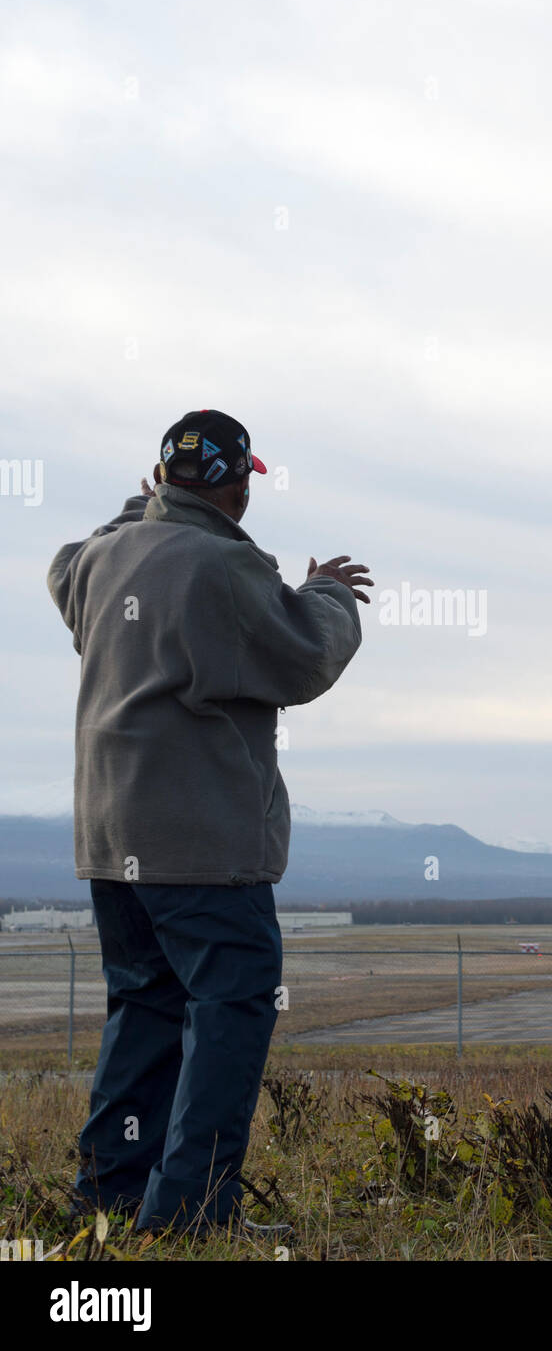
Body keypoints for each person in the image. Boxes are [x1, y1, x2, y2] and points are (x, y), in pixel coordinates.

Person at [46, 409, 372, 1234]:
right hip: (197, 845)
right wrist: (328, 590)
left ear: (161, 480)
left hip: (109, 839)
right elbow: (304, 652)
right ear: (236, 484)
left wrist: (140, 507)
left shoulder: (99, 561)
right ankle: (190, 1217)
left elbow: (66, 565)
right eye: (244, 480)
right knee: (230, 1014)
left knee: (144, 1012)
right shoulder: (224, 567)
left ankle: (110, 1201)